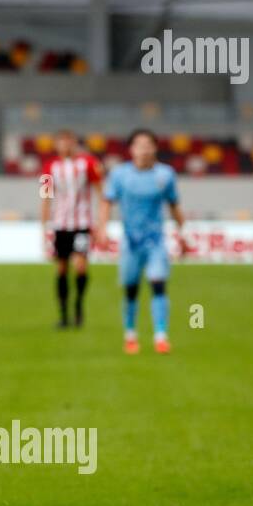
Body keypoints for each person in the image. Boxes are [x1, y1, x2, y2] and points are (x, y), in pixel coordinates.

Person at [96, 129, 186, 354]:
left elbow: (174, 205)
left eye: (148, 145)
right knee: (131, 290)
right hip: (130, 241)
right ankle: (130, 334)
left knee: (158, 284)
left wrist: (183, 232)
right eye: (139, 145)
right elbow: (107, 201)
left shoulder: (165, 174)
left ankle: (161, 336)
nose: (144, 149)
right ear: (132, 149)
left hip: (155, 241)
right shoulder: (120, 175)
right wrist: (102, 228)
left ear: (155, 148)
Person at [40, 130, 103, 328]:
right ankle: (64, 313)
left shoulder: (88, 164)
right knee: (61, 268)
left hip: (82, 225)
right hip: (60, 225)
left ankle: (79, 306)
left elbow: (101, 193)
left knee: (81, 265)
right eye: (61, 142)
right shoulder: (50, 167)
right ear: (56, 145)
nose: (65, 146)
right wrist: (44, 228)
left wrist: (101, 224)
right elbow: (45, 198)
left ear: (74, 143)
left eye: (68, 142)